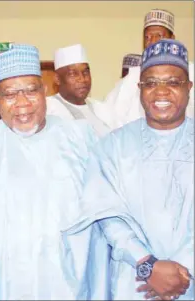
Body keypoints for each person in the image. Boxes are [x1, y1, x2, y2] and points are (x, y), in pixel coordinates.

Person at [0, 44, 111, 300]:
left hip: (72, 283)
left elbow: (106, 210)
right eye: (10, 94)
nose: (22, 103)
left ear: (45, 91)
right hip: (9, 283)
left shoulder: (80, 140)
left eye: (31, 91)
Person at [62, 39, 193, 300]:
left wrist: (183, 269)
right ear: (139, 89)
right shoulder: (113, 145)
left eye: (173, 82)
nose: (162, 92)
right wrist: (146, 264)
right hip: (134, 280)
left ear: (189, 87)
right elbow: (107, 215)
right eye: (151, 83)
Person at [98, 8, 194, 130]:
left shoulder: (190, 71)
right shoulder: (133, 77)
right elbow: (110, 115)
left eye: (159, 36)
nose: (152, 42)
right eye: (147, 37)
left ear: (172, 38)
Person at [46, 43, 110, 136]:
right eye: (73, 74)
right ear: (57, 79)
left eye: (85, 72)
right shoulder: (49, 109)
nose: (82, 79)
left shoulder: (100, 108)